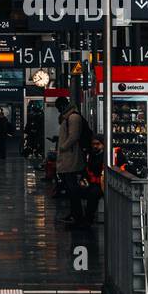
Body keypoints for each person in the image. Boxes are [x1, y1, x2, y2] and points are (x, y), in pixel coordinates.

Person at [55, 96, 87, 228]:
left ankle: (77, 215)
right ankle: (74, 214)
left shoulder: (73, 118)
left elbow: (73, 136)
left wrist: (63, 146)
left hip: (71, 157)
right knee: (70, 187)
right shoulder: (68, 117)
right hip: (68, 156)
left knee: (72, 187)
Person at [78, 136, 105, 228]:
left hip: (101, 184)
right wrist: (83, 179)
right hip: (91, 182)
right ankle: (81, 217)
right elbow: (86, 169)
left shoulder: (105, 156)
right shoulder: (91, 155)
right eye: (93, 144)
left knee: (92, 195)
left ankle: (88, 219)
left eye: (97, 144)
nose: (95, 146)